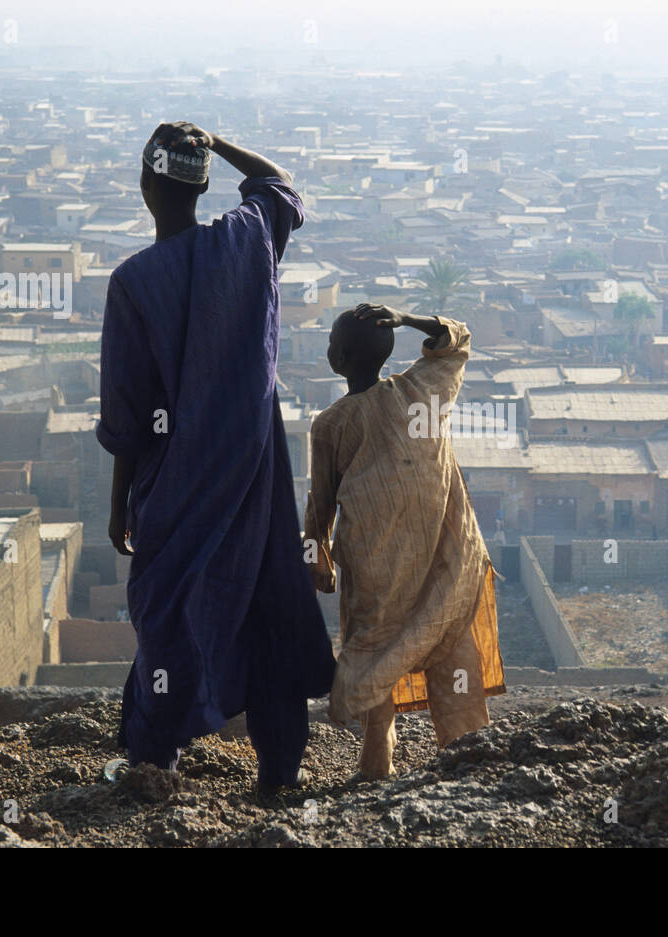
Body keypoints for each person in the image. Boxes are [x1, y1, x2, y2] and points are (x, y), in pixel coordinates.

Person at [97, 121, 334, 793]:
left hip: (176, 482)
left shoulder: (134, 284)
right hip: (255, 474)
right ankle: (278, 771)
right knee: (267, 603)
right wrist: (220, 140)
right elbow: (279, 185)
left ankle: (154, 762)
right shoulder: (245, 239)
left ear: (146, 187)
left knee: (169, 609)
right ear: (201, 187)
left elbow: (128, 416)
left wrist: (120, 506)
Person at [303, 303, 505, 779]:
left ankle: (381, 764)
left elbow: (321, 502)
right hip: (445, 561)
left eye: (333, 344)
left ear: (341, 358)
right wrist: (409, 319)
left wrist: (319, 556)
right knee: (451, 648)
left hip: (380, 570)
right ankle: (463, 754)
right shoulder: (423, 389)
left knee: (377, 655)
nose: (329, 351)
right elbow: (456, 338)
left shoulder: (331, 422)